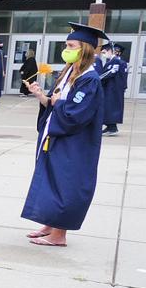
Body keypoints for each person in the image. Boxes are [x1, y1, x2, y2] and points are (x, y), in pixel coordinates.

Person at [22, 22, 106, 247]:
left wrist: (57, 103)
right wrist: (41, 96)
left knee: (65, 183)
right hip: (56, 136)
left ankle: (59, 235)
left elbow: (75, 115)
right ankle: (50, 225)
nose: (66, 49)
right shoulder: (70, 72)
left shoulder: (90, 79)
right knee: (51, 180)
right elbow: (55, 103)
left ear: (84, 49)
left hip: (74, 142)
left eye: (71, 46)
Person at [100, 43, 128, 135]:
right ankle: (111, 127)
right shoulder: (112, 61)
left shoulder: (117, 62)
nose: (103, 54)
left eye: (104, 52)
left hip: (113, 89)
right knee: (109, 107)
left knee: (111, 107)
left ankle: (112, 128)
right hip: (110, 88)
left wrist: (97, 79)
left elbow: (110, 73)